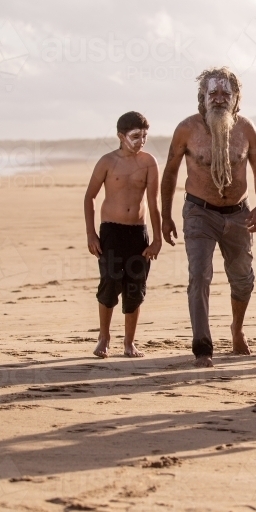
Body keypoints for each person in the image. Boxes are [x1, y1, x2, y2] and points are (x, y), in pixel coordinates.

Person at [161, 67, 256, 368]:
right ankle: (202, 345)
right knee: (199, 275)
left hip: (238, 214)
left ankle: (236, 329)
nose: (219, 99)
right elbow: (169, 173)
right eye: (213, 93)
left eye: (226, 94)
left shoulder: (246, 130)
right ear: (203, 97)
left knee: (243, 280)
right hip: (199, 212)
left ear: (236, 99)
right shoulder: (187, 130)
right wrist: (165, 216)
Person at [84, 111, 162, 358]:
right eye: (135, 136)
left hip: (138, 234)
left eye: (144, 136)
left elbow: (153, 204)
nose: (141, 141)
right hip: (111, 232)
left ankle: (129, 343)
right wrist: (91, 234)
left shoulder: (149, 163)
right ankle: (104, 337)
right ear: (121, 136)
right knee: (109, 282)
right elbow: (89, 197)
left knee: (135, 288)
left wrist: (158, 239)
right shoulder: (107, 162)